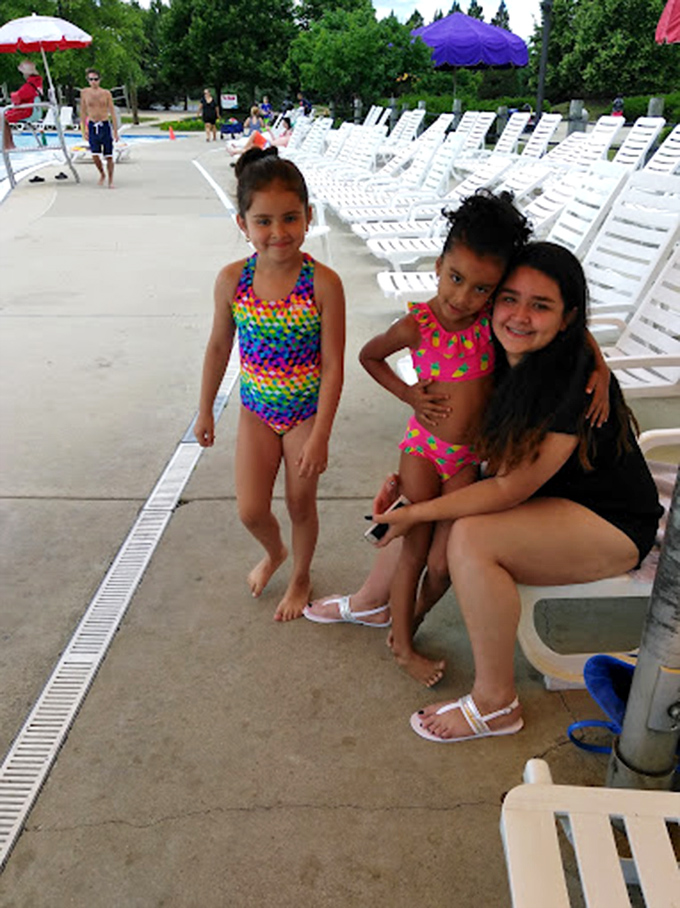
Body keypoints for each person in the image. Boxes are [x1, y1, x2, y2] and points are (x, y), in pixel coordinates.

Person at [304, 196, 609, 686]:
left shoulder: (492, 325)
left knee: (442, 565)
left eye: (482, 288)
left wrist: (601, 365)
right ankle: (401, 644)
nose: (464, 297)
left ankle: (408, 618)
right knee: (412, 549)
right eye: (455, 278)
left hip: (467, 459)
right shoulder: (418, 324)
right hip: (423, 449)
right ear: (440, 264)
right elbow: (369, 355)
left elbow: (572, 329)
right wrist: (408, 394)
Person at [374, 241, 663, 743]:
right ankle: (379, 607)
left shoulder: (570, 379)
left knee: (469, 539)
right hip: (552, 501)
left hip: (611, 521)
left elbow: (510, 488)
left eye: (542, 305)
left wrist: (418, 512)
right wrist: (410, 501)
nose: (520, 316)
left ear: (568, 317)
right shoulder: (497, 349)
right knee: (434, 527)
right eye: (510, 299)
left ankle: (496, 704)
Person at [194, 147, 346, 621]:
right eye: (263, 221)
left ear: (308, 217)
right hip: (257, 411)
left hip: (305, 414)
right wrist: (204, 410)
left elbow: (334, 363)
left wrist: (320, 433)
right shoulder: (231, 281)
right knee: (251, 509)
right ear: (242, 224)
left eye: (290, 218)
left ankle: (301, 574)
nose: (278, 232)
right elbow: (219, 347)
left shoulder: (323, 283)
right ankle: (275, 551)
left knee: (301, 502)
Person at [79, 68, 119, 188]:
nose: (93, 82)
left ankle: (111, 179)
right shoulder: (84, 93)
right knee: (95, 154)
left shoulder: (106, 93)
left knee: (109, 155)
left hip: (104, 124)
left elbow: (112, 113)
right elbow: (83, 112)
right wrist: (83, 129)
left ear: (99, 80)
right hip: (92, 125)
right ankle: (102, 173)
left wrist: (115, 131)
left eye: (95, 79)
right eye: (91, 79)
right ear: (88, 80)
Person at [2, 59, 43, 151]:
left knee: (2, 118)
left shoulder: (30, 85)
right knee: (3, 117)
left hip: (27, 111)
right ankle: (9, 144)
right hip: (33, 110)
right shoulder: (37, 84)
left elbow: (18, 97)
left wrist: (13, 94)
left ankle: (8, 144)